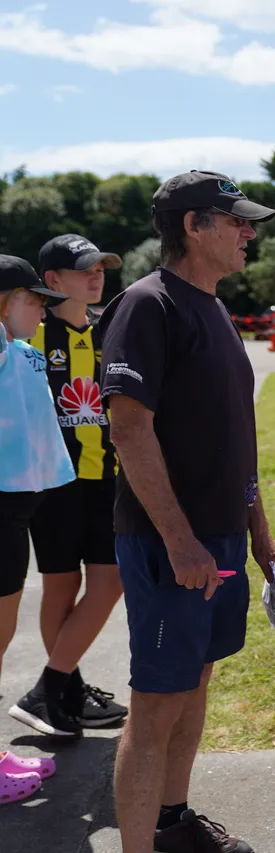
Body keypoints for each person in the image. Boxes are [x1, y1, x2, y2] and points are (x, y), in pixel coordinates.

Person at [99, 171, 275, 853]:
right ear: (191, 226)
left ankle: (172, 819)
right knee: (154, 704)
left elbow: (231, 432)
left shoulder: (212, 307)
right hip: (169, 544)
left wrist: (258, 528)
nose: (250, 232)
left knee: (195, 680)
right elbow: (128, 429)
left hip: (218, 540)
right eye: (235, 220)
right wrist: (178, 540)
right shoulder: (147, 306)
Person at [9, 235, 129, 739]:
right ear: (51, 281)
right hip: (54, 484)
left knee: (109, 581)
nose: (96, 277)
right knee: (62, 585)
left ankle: (51, 688)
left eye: (100, 268)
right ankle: (68, 690)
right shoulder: (31, 336)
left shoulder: (111, 330)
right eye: (84, 270)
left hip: (108, 479)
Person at [0, 256, 76, 704]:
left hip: (17, 511)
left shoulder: (26, 354)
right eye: (35, 301)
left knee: (5, 634)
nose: (44, 312)